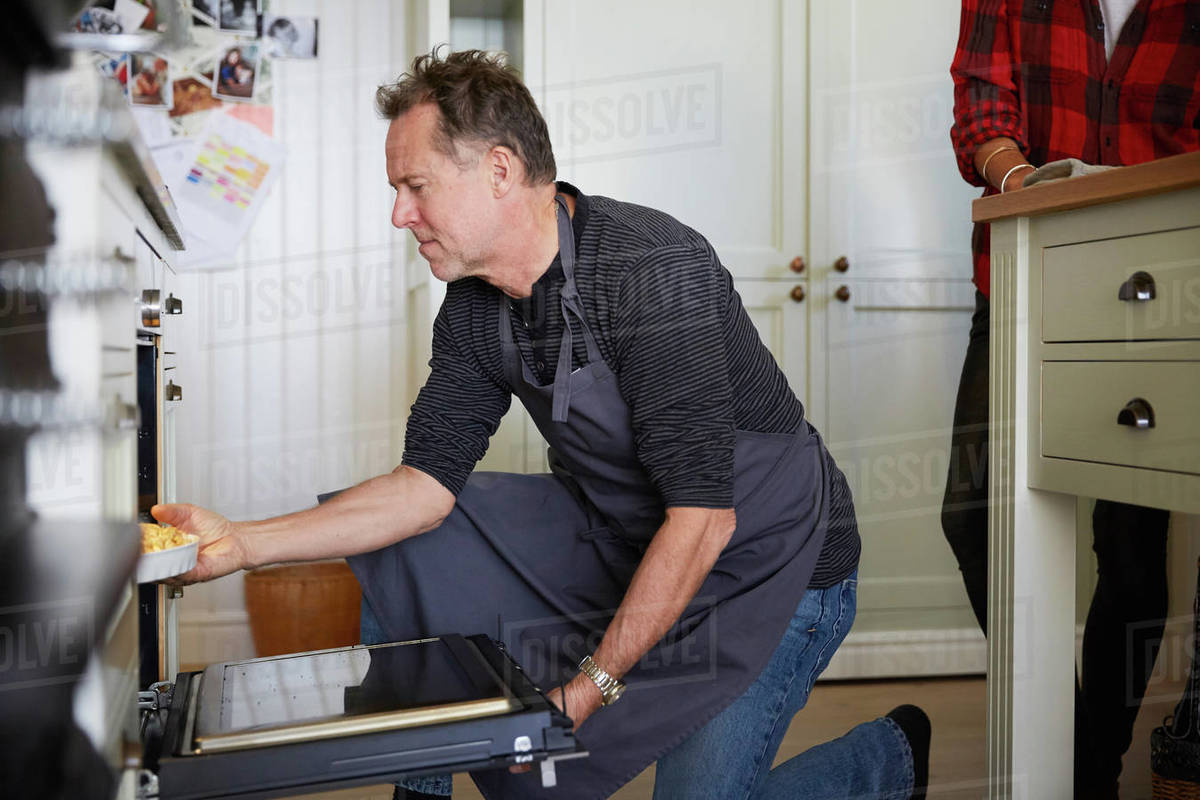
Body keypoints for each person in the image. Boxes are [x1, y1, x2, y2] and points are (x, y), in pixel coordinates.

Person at [156, 49, 929, 800]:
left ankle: (885, 760)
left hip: (772, 563)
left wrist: (586, 690)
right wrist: (242, 542)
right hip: (634, 538)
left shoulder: (651, 271)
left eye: (416, 186)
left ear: (499, 170)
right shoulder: (473, 307)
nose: (399, 214)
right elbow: (421, 490)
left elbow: (702, 520)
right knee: (415, 546)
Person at [946, 1, 1198, 796]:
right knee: (973, 514)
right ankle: (1071, 747)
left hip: (1162, 285)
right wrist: (1027, 183)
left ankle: (1089, 771)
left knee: (1130, 545)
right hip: (1026, 270)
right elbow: (981, 106)